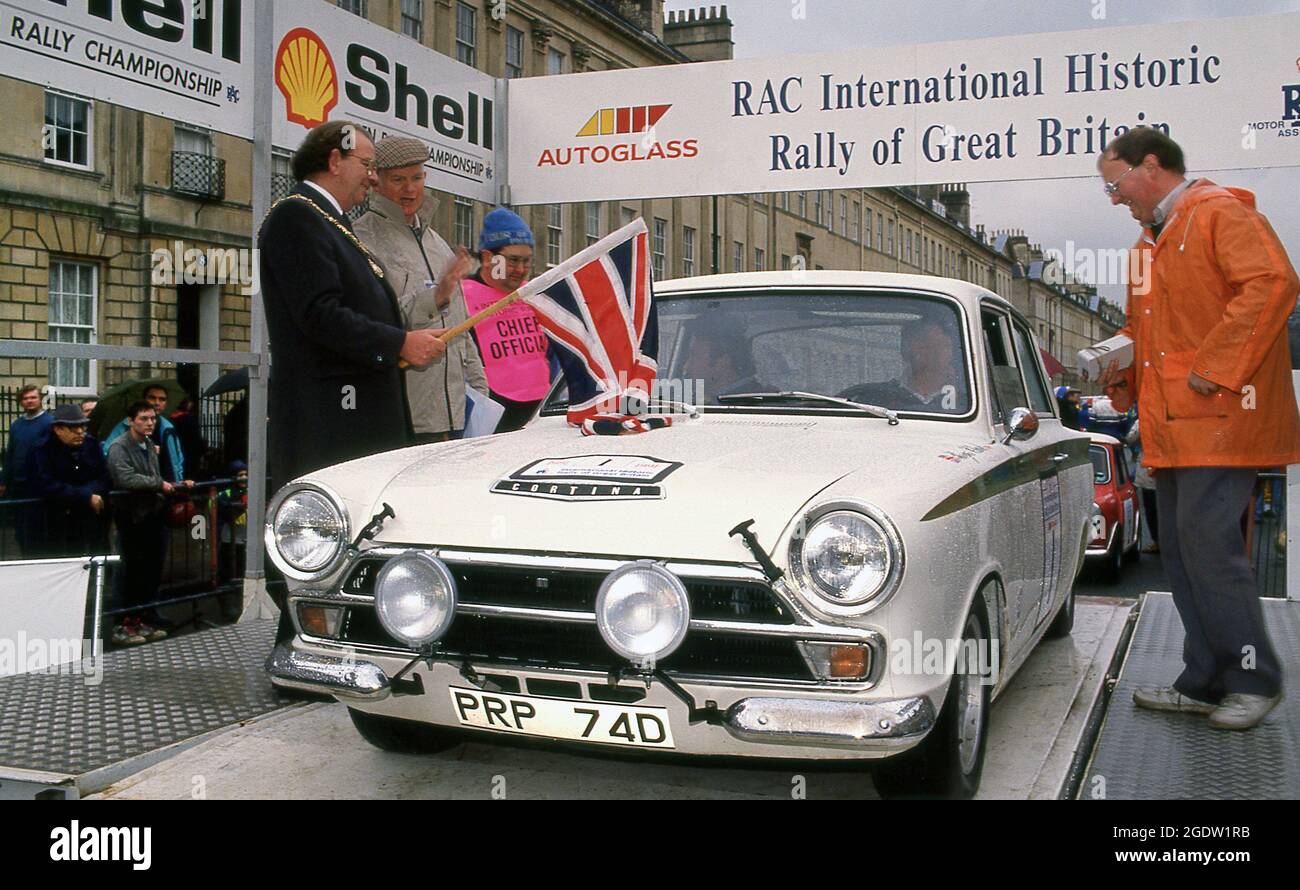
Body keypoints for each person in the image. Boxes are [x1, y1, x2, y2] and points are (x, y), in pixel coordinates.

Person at [1097, 127, 1299, 730]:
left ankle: (1252, 681)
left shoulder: (1219, 213)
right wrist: (1115, 371)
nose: (1112, 197)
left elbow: (1273, 284)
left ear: (1151, 166)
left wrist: (1216, 367)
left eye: (1115, 183)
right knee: (1184, 553)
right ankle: (1206, 680)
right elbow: (1143, 332)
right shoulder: (1146, 246)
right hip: (1176, 425)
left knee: (1208, 549)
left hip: (1218, 420)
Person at [257, 120, 447, 489]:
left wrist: (400, 345)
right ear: (334, 161)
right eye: (367, 165)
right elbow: (319, 314)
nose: (373, 178)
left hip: (355, 423)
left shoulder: (329, 221)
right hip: (332, 427)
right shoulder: (296, 217)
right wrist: (399, 343)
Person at [354, 136, 487, 443]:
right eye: (398, 179)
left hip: (455, 416)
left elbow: (462, 331)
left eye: (417, 177)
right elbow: (375, 328)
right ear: (376, 182)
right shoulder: (362, 239)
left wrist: (480, 394)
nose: (410, 189)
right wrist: (436, 296)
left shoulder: (437, 243)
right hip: (403, 419)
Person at [464, 208, 553, 432]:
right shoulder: (462, 297)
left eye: (527, 261)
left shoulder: (533, 295)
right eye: (512, 261)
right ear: (487, 258)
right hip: (493, 415)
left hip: (541, 411)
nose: (521, 270)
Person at [106, 401, 172, 646]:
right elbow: (125, 478)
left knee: (147, 573)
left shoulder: (148, 445)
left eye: (152, 419)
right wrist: (158, 484)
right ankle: (122, 625)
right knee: (129, 573)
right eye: (143, 418)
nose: (149, 423)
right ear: (130, 421)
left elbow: (152, 475)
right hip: (131, 518)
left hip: (151, 516)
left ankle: (141, 619)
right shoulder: (119, 447)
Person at [28, 404, 110, 558]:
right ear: (58, 430)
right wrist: (85, 496)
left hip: (91, 516)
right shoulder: (43, 449)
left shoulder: (91, 444)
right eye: (73, 428)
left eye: (83, 427)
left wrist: (91, 492)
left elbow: (105, 476)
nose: (80, 432)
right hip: (57, 520)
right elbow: (46, 484)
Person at [102, 384, 188, 484]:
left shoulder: (169, 428)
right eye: (152, 398)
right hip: (137, 488)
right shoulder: (124, 427)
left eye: (162, 399)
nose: (157, 403)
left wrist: (178, 482)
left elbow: (177, 460)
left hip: (165, 487)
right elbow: (109, 453)